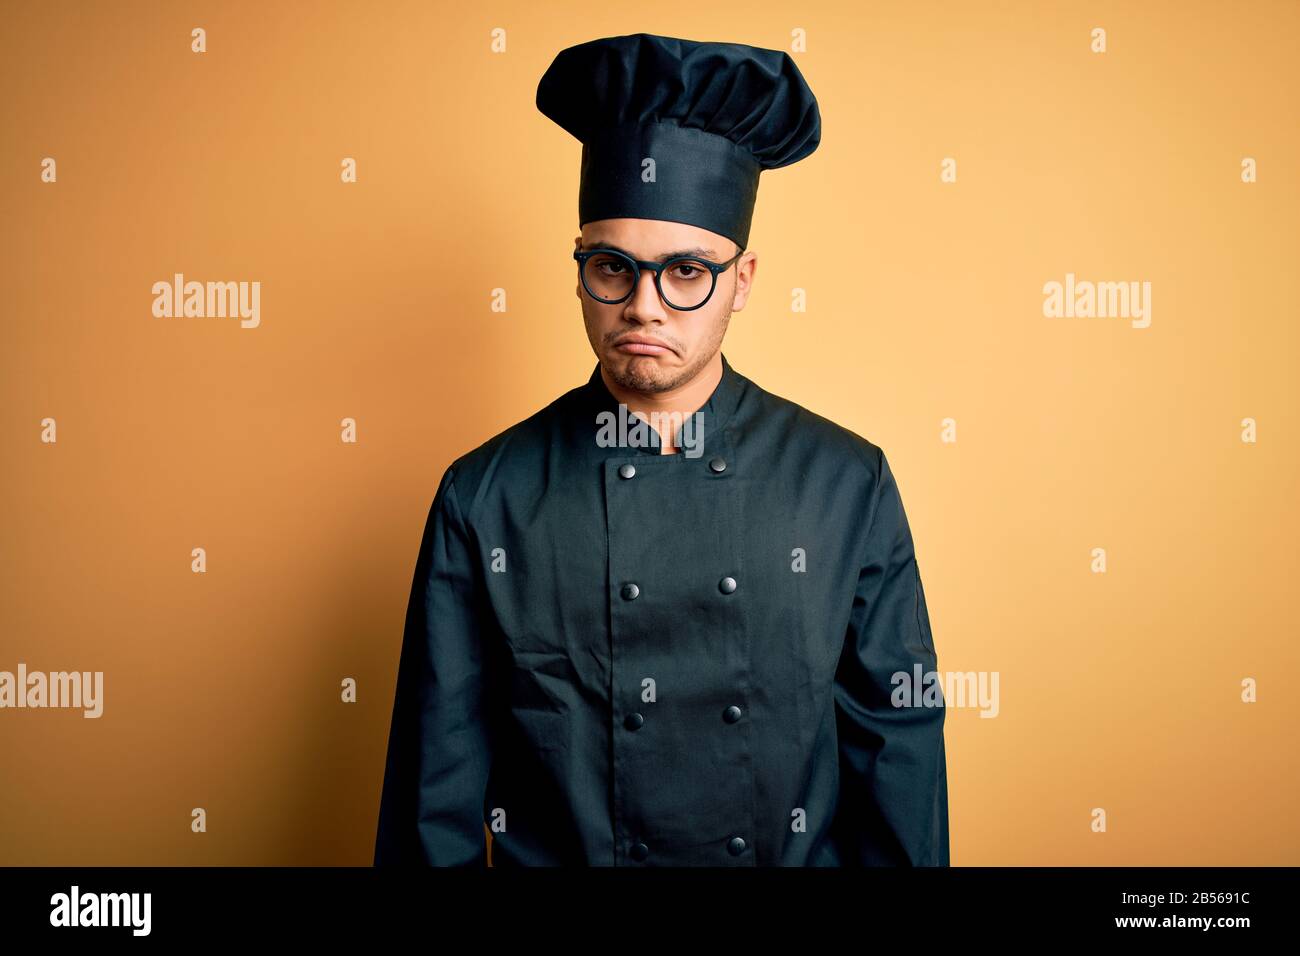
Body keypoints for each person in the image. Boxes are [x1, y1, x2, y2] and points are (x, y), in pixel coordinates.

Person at [374, 32, 949, 867]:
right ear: (579, 272)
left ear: (743, 280)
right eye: (613, 265)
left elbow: (897, 750)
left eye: (686, 272)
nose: (643, 306)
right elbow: (437, 784)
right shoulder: (484, 495)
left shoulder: (845, 483)